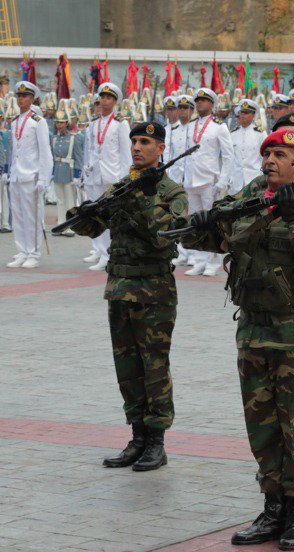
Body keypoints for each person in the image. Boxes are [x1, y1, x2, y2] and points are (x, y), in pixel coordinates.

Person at [182, 128, 294, 550]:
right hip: (253, 329)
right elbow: (215, 238)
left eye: (280, 155)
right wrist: (199, 226)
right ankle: (272, 507)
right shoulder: (249, 201)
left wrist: (292, 220)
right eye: (267, 154)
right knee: (262, 422)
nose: (270, 160)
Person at [67, 121, 188, 471]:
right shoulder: (122, 186)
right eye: (134, 141)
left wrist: (147, 197)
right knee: (128, 369)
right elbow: (94, 227)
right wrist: (81, 214)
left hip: (153, 291)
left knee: (154, 367)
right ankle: (137, 437)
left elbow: (164, 236)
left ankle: (156, 442)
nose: (137, 147)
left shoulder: (172, 192)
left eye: (145, 141)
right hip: (119, 288)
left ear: (161, 148)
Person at [181, 88, 234, 277]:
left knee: (212, 223)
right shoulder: (190, 125)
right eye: (198, 100)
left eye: (204, 100)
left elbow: (228, 156)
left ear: (212, 104)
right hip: (191, 180)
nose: (200, 103)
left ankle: (213, 262)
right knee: (195, 222)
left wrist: (222, 181)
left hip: (210, 181)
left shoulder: (219, 126)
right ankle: (199, 260)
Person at [81, 82, 132, 271]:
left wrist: (125, 180)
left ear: (115, 101)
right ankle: (103, 253)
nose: (104, 100)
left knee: (114, 218)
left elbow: (126, 155)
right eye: (102, 97)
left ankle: (115, 253)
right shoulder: (93, 124)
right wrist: (85, 174)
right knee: (97, 216)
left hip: (113, 177)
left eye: (109, 97)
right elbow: (89, 151)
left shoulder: (120, 123)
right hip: (95, 176)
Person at [6, 81, 52, 269]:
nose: (21, 99)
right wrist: (10, 172)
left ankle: (33, 253)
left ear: (32, 99)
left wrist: (44, 178)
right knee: (18, 216)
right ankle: (22, 251)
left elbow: (45, 152)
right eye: (19, 96)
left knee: (32, 217)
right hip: (17, 175)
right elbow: (14, 151)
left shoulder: (38, 122)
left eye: (25, 96)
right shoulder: (16, 122)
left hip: (32, 176)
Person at [50, 110, 84, 237]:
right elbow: (52, 157)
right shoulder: (55, 138)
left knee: (70, 201)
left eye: (62, 122)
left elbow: (79, 158)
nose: (59, 125)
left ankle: (70, 227)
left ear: (67, 123)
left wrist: (77, 176)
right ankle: (61, 224)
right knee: (60, 200)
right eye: (57, 122)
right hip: (58, 172)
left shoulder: (74, 137)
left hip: (69, 172)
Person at [229, 99, 267, 194]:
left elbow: (264, 157)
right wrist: (229, 178)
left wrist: (262, 177)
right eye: (241, 112)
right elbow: (230, 158)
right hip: (236, 180)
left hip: (254, 179)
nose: (242, 115)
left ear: (253, 115)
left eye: (246, 113)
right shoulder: (233, 133)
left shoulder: (260, 133)